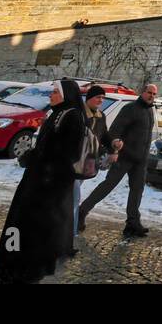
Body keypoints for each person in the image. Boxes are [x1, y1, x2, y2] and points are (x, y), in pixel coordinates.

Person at [0, 78, 85, 284]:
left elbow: (66, 153)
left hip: (48, 186)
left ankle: (28, 267)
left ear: (65, 95)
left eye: (55, 93)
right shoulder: (57, 114)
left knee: (35, 228)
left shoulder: (72, 117)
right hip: (38, 181)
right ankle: (17, 263)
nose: (51, 96)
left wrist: (35, 158)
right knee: (22, 226)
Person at [78, 82, 157, 238]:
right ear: (142, 92)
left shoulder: (149, 111)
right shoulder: (130, 109)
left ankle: (132, 223)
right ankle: (82, 211)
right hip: (124, 156)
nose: (151, 96)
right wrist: (114, 150)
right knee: (108, 186)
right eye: (149, 93)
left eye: (154, 94)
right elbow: (115, 131)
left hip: (140, 160)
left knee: (137, 190)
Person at [70, 85, 116, 251]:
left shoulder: (100, 115)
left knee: (72, 195)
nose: (101, 101)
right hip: (73, 161)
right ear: (89, 98)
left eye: (103, 98)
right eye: (98, 97)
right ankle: (71, 231)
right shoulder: (79, 114)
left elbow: (103, 135)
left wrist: (112, 145)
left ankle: (68, 227)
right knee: (73, 197)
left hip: (86, 163)